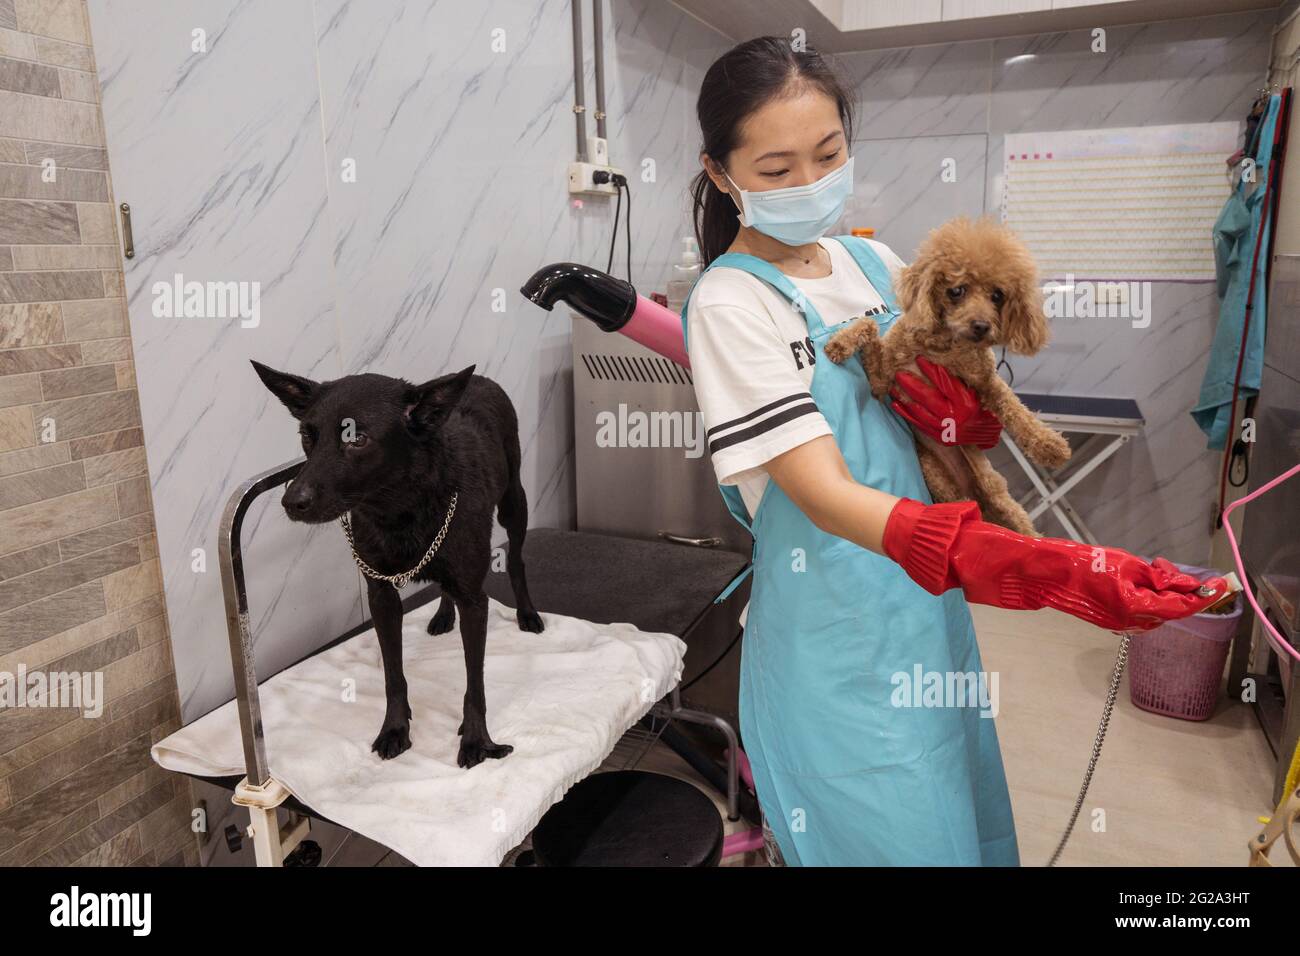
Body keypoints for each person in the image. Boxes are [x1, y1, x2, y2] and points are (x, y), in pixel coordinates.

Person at [680, 37, 1223, 866]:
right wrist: (1032, 563)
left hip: (927, 618)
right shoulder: (729, 302)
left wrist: (960, 420)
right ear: (722, 174)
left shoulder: (875, 262)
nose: (809, 184)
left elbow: (950, 375)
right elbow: (821, 492)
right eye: (776, 169)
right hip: (835, 636)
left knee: (955, 818)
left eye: (827, 156)